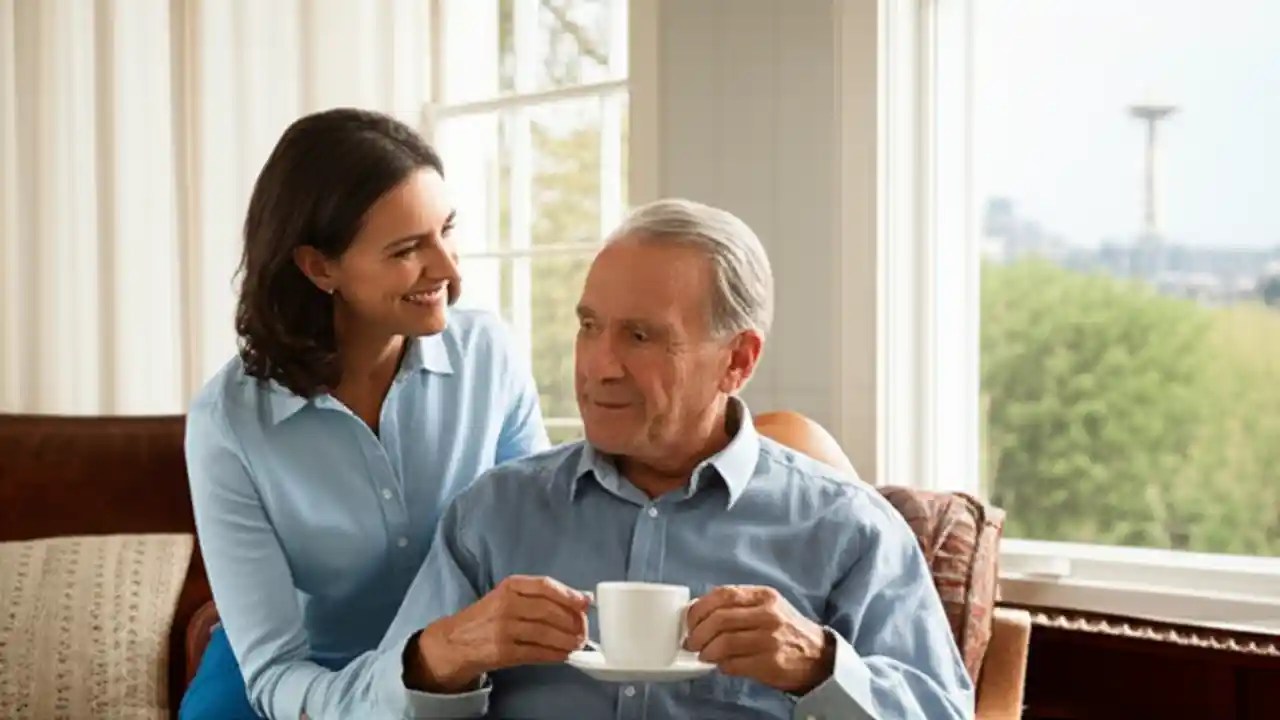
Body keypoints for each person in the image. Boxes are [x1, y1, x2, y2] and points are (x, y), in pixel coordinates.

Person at [363, 198, 975, 718]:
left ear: (737, 360)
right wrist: (443, 659)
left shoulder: (849, 531)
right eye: (588, 325)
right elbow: (371, 705)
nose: (598, 366)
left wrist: (820, 666)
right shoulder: (492, 515)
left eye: (640, 336)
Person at [181, 108, 548, 720]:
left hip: (462, 666)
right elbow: (273, 671)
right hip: (298, 683)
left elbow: (540, 536)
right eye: (407, 250)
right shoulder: (228, 424)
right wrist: (399, 691)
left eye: (447, 231)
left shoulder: (490, 355)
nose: (449, 271)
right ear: (319, 267)